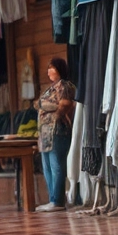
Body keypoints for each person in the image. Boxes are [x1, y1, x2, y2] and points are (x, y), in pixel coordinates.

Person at [34, 56, 77, 211]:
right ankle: (52, 198)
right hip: (44, 134)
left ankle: (58, 200)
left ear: (59, 69)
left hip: (58, 130)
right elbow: (37, 103)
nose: (49, 71)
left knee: (56, 164)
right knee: (47, 166)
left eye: (52, 68)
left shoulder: (65, 86)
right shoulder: (50, 88)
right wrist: (46, 105)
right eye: (48, 68)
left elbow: (65, 105)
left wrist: (48, 108)